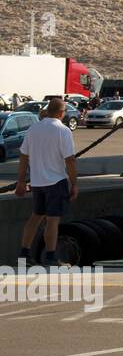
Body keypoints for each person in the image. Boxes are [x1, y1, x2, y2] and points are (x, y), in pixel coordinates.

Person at [14, 97, 78, 265]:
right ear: (62, 113)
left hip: (37, 182)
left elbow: (23, 156)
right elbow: (70, 160)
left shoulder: (33, 129)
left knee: (35, 217)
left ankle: (24, 255)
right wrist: (75, 183)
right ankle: (50, 256)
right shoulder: (63, 130)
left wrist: (21, 180)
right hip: (56, 181)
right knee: (52, 220)